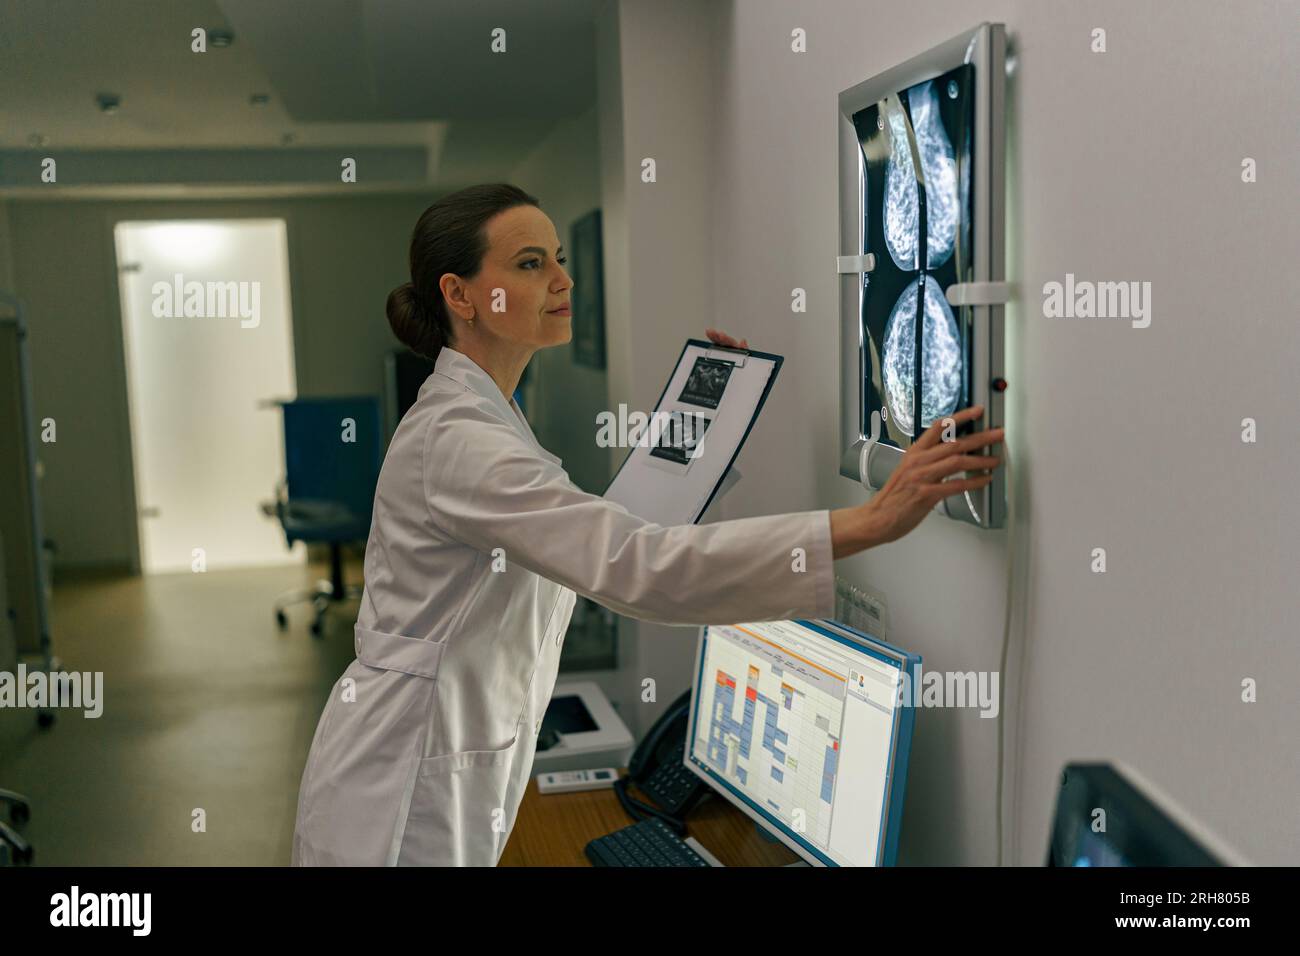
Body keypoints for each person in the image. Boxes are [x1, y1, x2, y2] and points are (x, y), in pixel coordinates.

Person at [291, 183, 1003, 866]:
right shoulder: (459, 438)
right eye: (530, 265)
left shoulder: (487, 417)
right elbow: (633, 565)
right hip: (401, 785)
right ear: (461, 294)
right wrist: (870, 522)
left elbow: (611, 535)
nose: (563, 282)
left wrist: (703, 424)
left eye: (558, 260)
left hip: (444, 755)